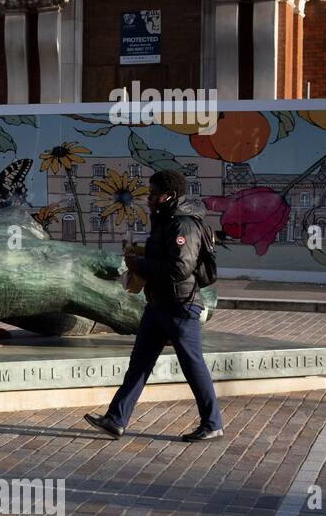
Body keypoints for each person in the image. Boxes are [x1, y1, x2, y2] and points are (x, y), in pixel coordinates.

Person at [85, 168, 223, 442]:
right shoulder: (165, 220)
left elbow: (180, 268)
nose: (147, 198)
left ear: (168, 195)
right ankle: (116, 419)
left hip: (180, 306)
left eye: (152, 194)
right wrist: (139, 256)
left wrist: (141, 265)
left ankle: (212, 424)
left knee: (193, 365)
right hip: (158, 303)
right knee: (139, 363)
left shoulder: (183, 224)